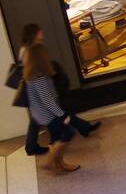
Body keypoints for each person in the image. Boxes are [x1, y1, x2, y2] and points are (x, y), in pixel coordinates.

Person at [16, 24, 99, 156]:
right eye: (39, 31)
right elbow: (47, 100)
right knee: (61, 127)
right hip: (44, 108)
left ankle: (51, 153)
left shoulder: (34, 57)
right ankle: (51, 158)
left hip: (41, 107)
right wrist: (62, 115)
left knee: (50, 125)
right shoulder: (34, 60)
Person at [22, 38, 82, 173]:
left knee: (56, 138)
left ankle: (59, 164)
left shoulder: (31, 75)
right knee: (68, 133)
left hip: (42, 114)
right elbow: (47, 100)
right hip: (49, 114)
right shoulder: (39, 77)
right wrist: (63, 114)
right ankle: (49, 161)